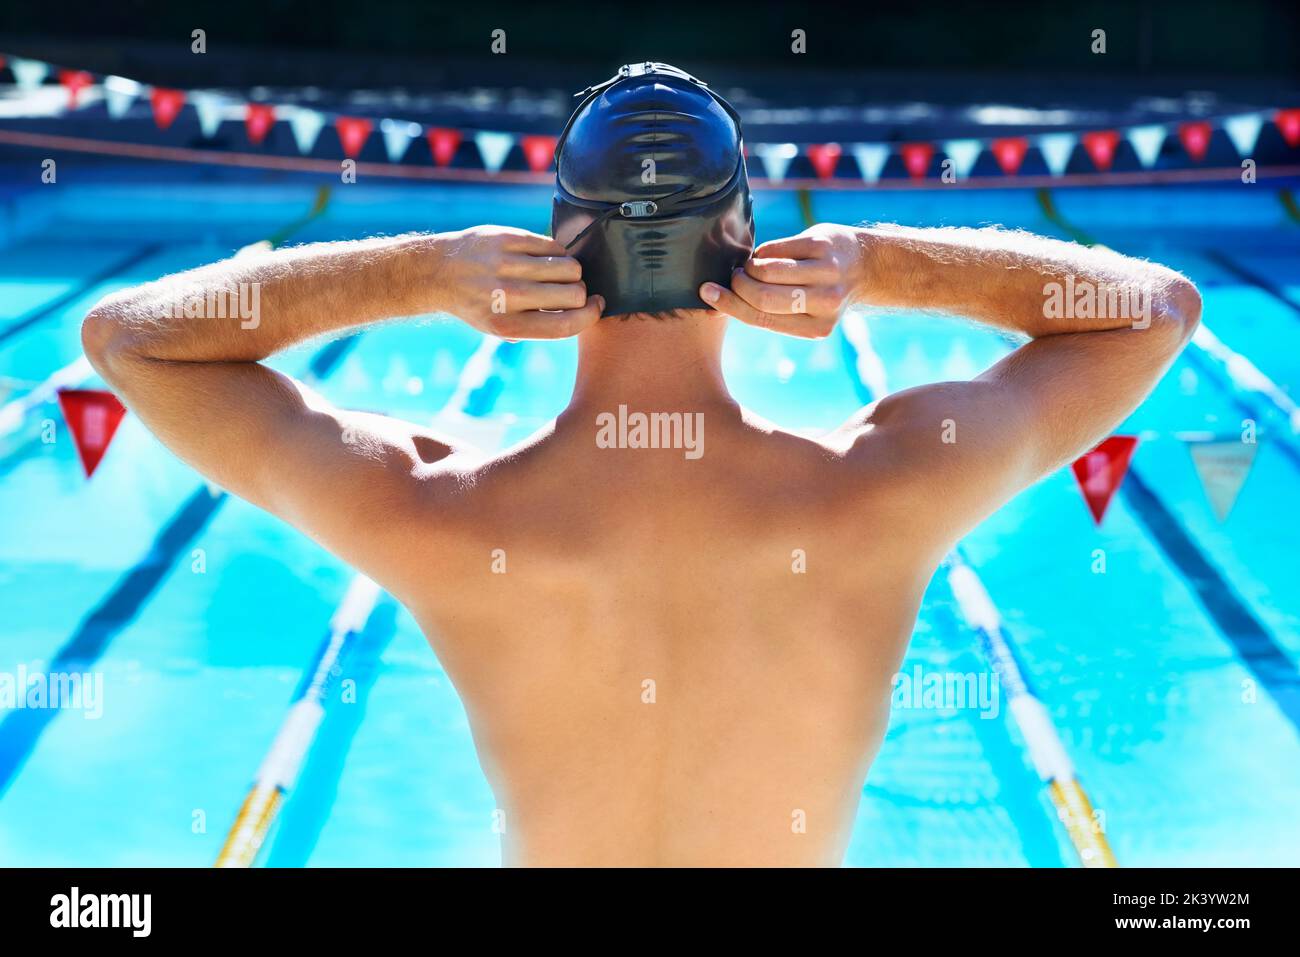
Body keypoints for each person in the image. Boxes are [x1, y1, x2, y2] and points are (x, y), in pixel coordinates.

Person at [80, 64, 1200, 866]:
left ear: (556, 236)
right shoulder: (883, 493)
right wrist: (879, 264)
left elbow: (130, 339)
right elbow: (1152, 311)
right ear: (749, 236)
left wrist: (414, 276)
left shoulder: (437, 511)